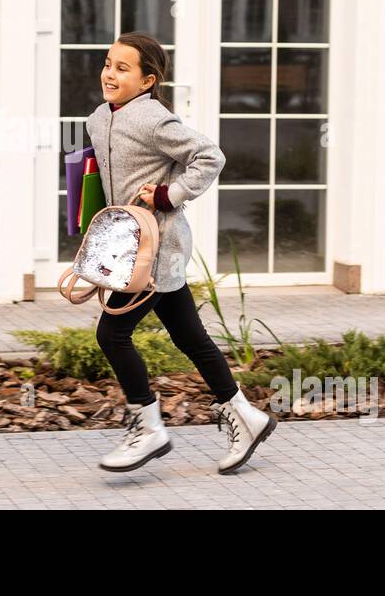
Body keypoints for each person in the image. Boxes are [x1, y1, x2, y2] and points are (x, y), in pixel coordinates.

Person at [85, 31, 277, 475]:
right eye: (108, 63)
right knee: (190, 337)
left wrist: (170, 193)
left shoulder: (154, 119)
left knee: (112, 335)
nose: (110, 73)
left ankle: (148, 426)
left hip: (160, 247)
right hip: (128, 247)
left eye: (122, 68)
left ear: (148, 80)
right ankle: (245, 417)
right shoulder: (99, 117)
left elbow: (210, 157)